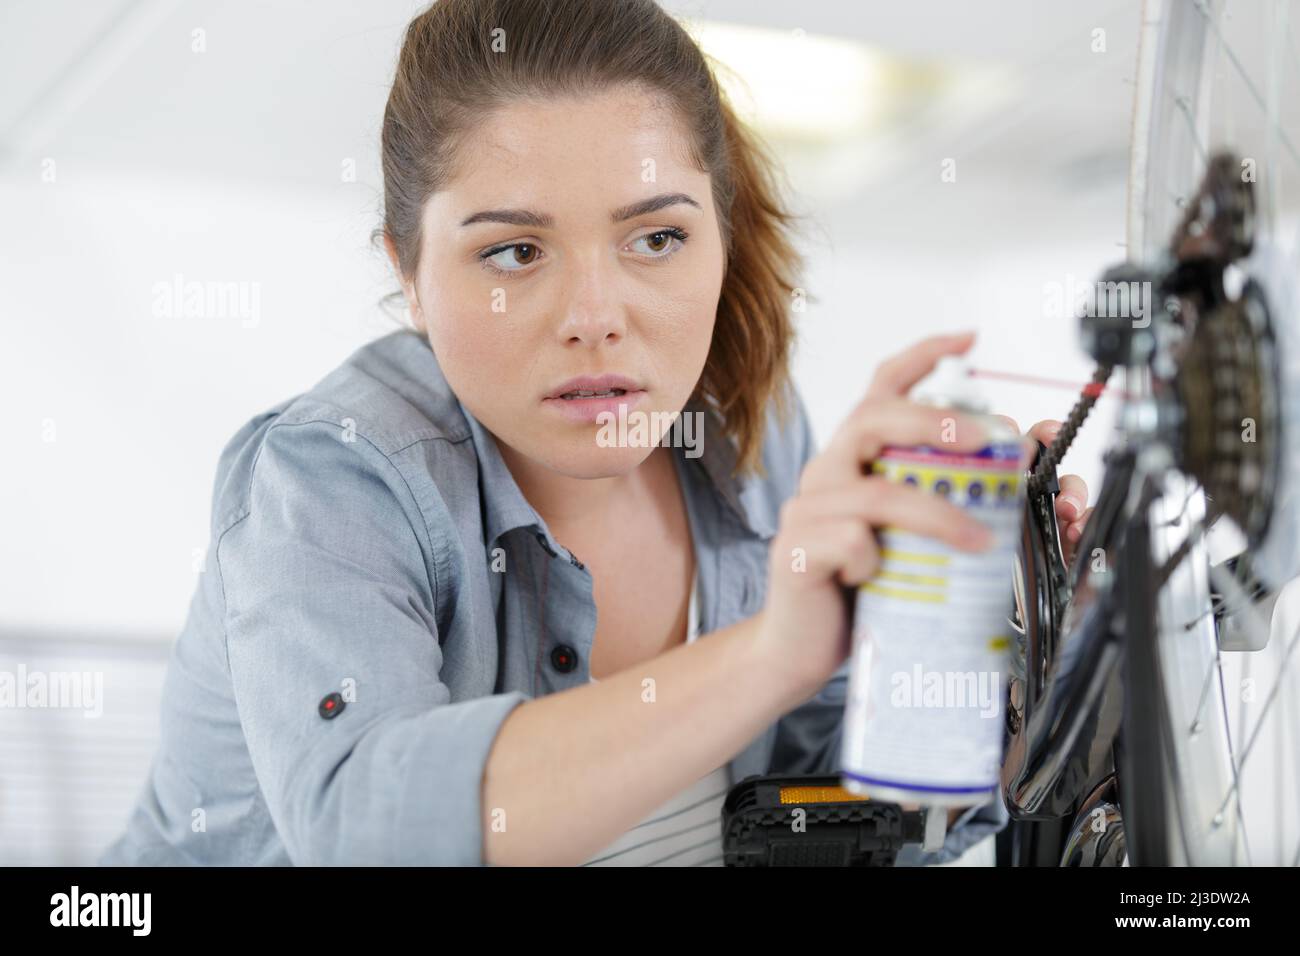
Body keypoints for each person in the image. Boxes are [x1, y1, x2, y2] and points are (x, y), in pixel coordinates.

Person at [99, 0, 1091, 867]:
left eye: (657, 237)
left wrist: (1017, 655)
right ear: (409, 273)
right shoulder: (329, 474)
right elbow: (368, 826)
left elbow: (835, 811)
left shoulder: (749, 430)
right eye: (514, 252)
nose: (594, 316)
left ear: (720, 237)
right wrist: (771, 653)